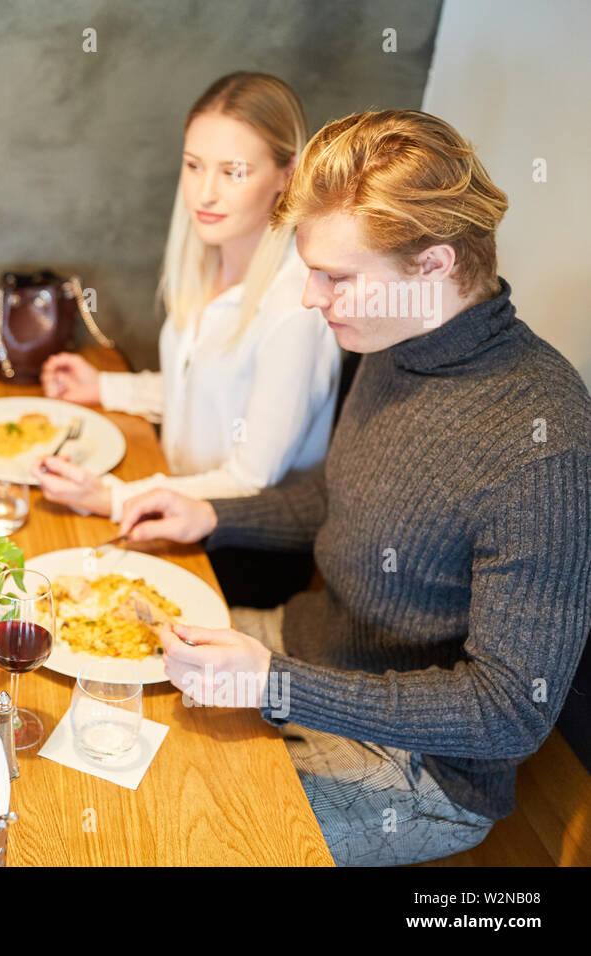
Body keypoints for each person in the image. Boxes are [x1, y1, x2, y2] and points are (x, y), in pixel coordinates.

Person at [117, 110, 591, 866]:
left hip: (419, 770)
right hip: (302, 652)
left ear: (434, 266)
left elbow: (509, 712)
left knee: (164, 835)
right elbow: (340, 502)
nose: (312, 297)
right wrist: (209, 512)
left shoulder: (543, 441)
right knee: (93, 693)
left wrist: (276, 685)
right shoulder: (392, 336)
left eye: (335, 276)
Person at [39, 72, 340, 606]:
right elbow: (206, 389)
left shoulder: (297, 308)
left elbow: (250, 479)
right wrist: (108, 389)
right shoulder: (209, 258)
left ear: (286, 174)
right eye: (194, 165)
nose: (205, 193)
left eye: (234, 171)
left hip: (240, 554)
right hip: (173, 503)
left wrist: (112, 497)